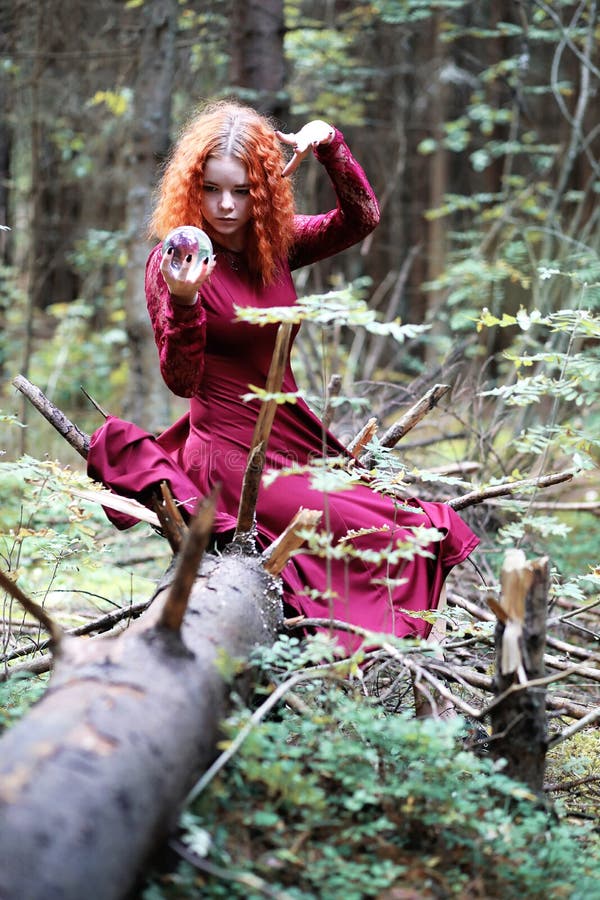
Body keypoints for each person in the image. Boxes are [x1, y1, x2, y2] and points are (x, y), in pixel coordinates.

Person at [87, 100, 479, 655]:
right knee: (367, 531)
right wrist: (184, 302)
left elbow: (360, 219)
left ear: (263, 191)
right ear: (191, 188)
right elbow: (180, 380)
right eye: (212, 189)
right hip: (225, 452)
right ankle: (328, 652)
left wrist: (331, 148)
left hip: (290, 434)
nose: (226, 205)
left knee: (396, 519)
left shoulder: (273, 245)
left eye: (243, 191)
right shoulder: (173, 261)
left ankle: (330, 659)